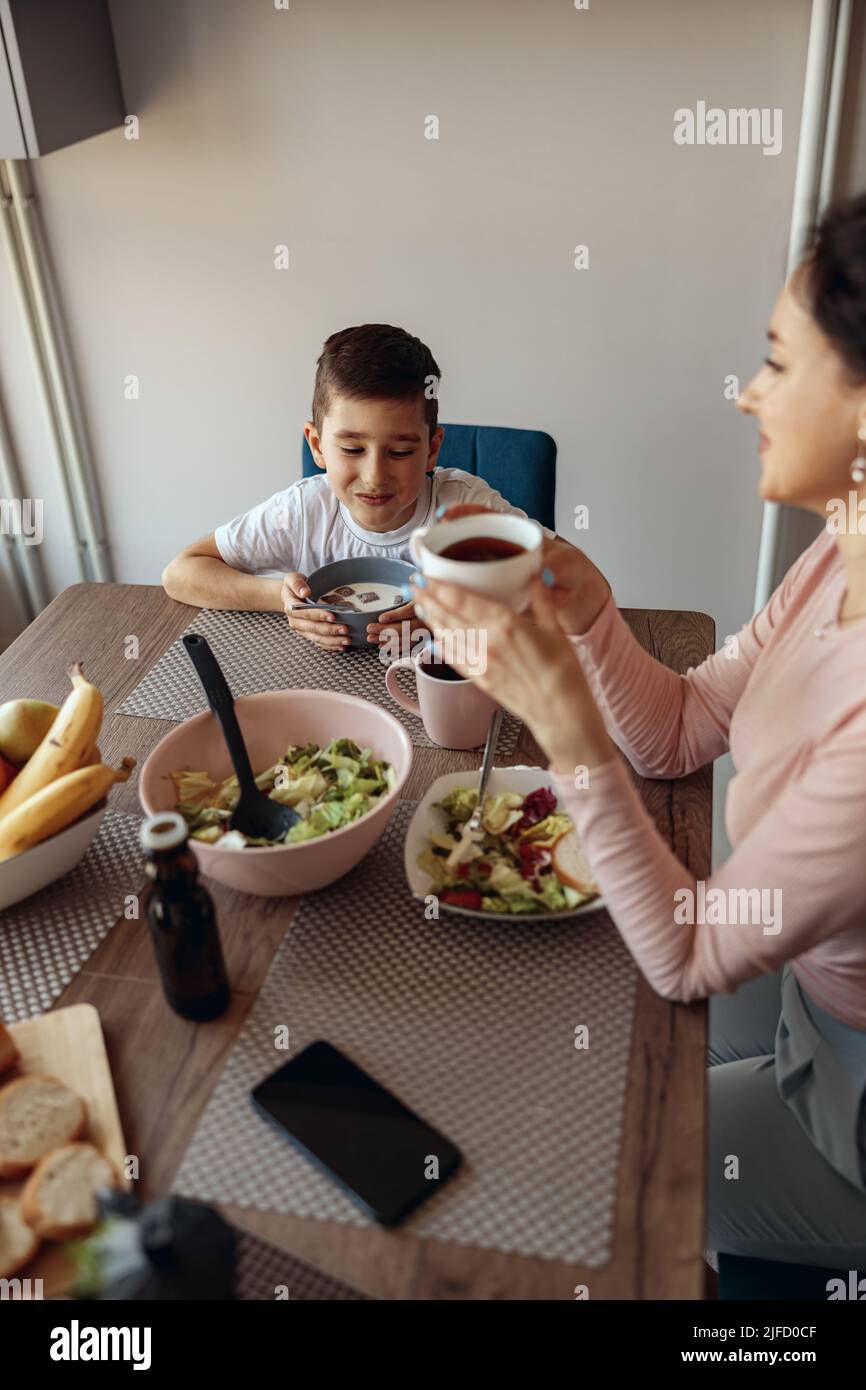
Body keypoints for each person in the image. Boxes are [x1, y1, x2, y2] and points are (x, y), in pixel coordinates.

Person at [411, 193, 866, 1268]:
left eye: (776, 363)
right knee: (581, 1054)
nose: (747, 393)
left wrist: (564, 726)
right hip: (801, 984)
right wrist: (592, 612)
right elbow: (682, 728)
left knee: (585, 1164)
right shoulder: (838, 551)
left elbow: (687, 953)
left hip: (847, 1098)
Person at [162, 323, 554, 650]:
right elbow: (180, 573)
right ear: (317, 446)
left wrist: (448, 615)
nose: (374, 475)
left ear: (432, 451)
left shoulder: (463, 508)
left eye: (400, 451)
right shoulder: (303, 512)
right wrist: (285, 600)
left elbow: (574, 589)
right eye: (351, 448)